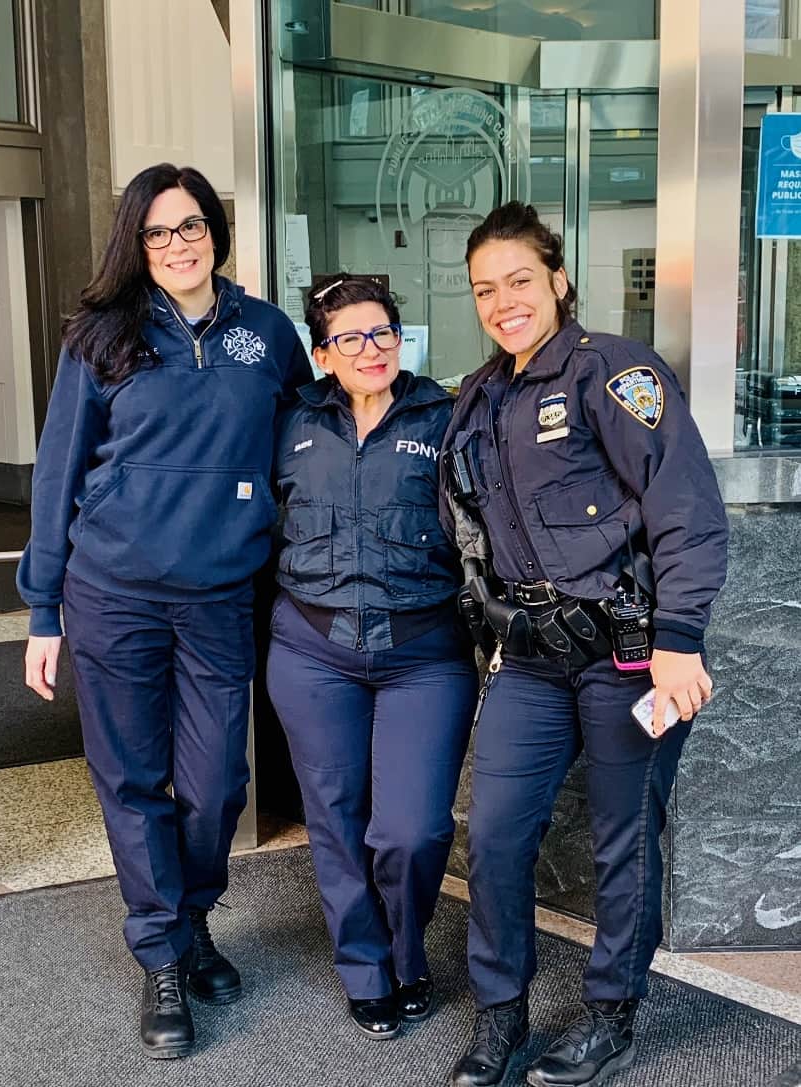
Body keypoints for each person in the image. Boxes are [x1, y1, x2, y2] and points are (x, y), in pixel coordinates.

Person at [17, 163, 312, 1059]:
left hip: (221, 595)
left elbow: (305, 440)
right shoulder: (100, 337)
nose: (177, 244)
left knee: (220, 780)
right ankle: (163, 954)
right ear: (135, 245)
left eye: (191, 226)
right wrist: (42, 608)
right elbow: (59, 470)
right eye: (158, 232)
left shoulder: (265, 332)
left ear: (217, 231)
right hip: (114, 595)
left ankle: (187, 916)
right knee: (133, 778)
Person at [440, 202, 728, 1087]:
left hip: (627, 656)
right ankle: (500, 1015)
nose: (504, 301)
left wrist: (680, 639)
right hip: (528, 657)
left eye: (520, 280)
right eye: (486, 288)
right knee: (493, 835)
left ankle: (611, 1014)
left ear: (558, 279)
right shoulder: (480, 396)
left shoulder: (615, 373)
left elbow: (687, 510)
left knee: (624, 838)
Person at [266, 274, 477, 1041]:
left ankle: (407, 948)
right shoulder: (290, 423)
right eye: (349, 337)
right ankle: (365, 966)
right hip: (313, 651)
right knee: (336, 818)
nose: (370, 349)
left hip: (424, 653)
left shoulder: (446, 418)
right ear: (322, 354)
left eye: (382, 332)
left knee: (412, 828)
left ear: (401, 338)